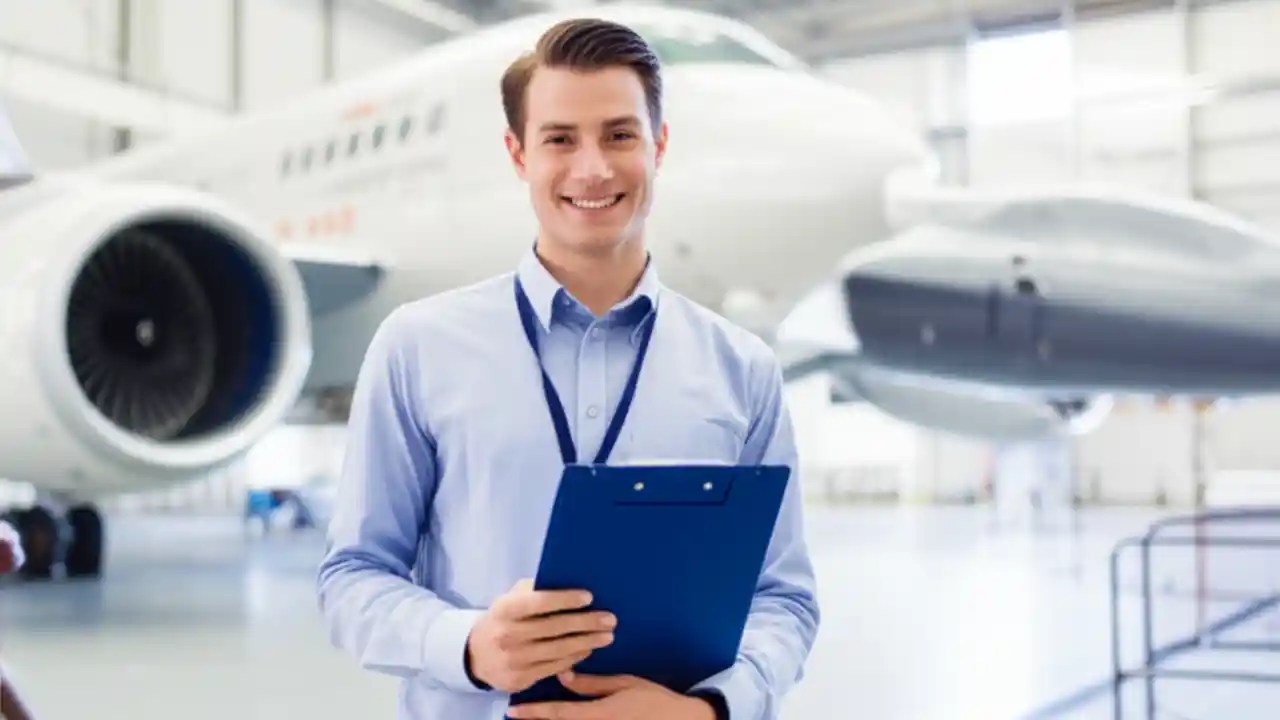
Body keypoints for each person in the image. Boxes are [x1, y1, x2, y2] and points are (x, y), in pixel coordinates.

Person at [317, 17, 819, 720]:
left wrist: (712, 709)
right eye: (560, 139)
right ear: (518, 154)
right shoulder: (417, 347)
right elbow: (351, 578)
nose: (592, 169)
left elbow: (784, 598)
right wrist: (467, 644)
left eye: (619, 135)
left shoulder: (742, 369)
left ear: (658, 146)